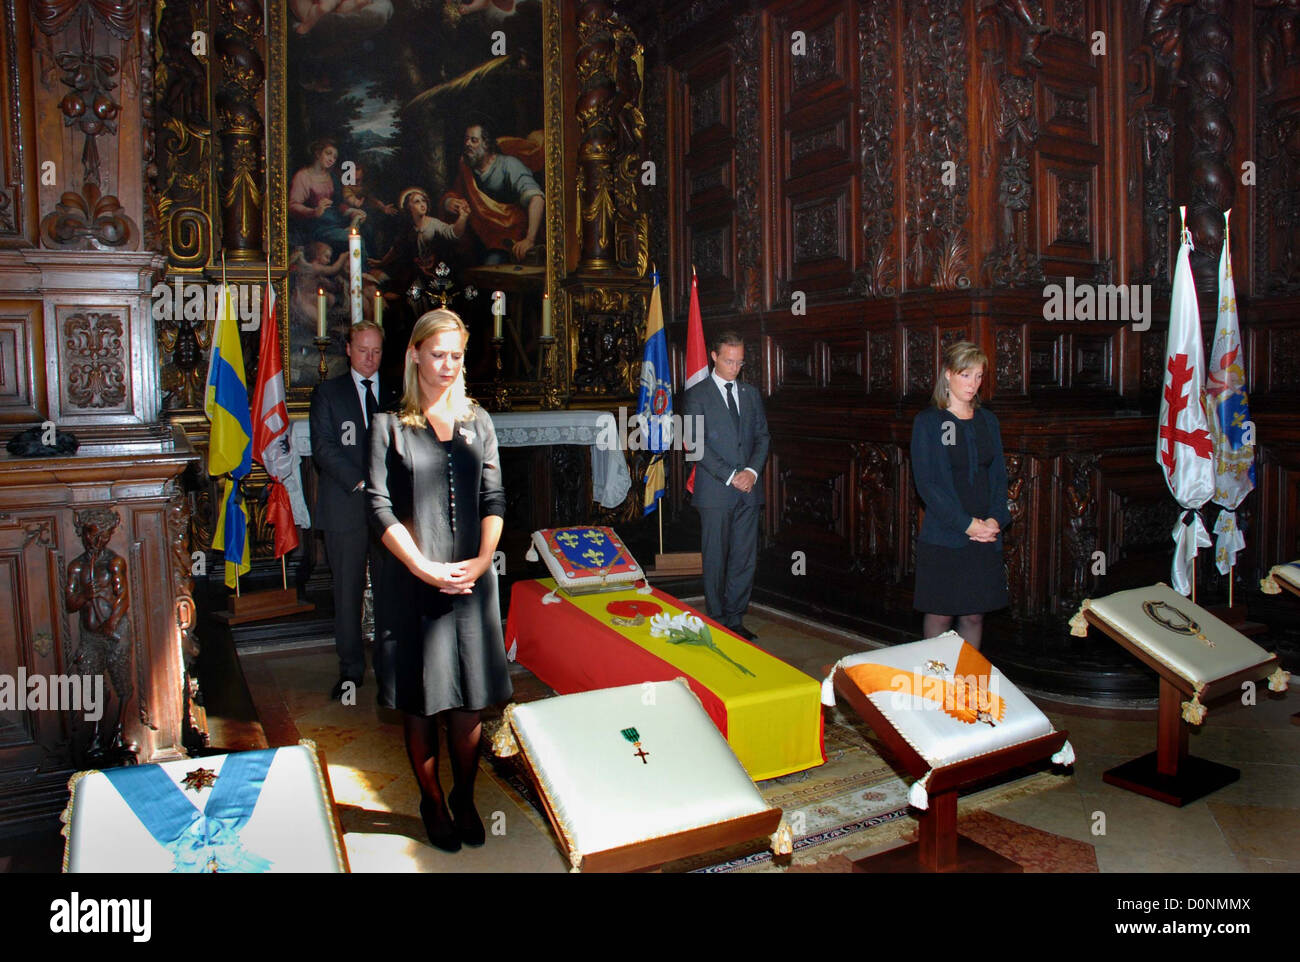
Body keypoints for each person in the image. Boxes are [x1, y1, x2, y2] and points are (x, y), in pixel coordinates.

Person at [367, 309, 510, 852]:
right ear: (415, 355)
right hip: (413, 581)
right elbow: (378, 509)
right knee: (424, 699)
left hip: (473, 581)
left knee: (470, 700)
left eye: (456, 356)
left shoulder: (479, 421)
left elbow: (495, 499)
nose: (447, 365)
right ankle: (430, 799)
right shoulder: (389, 425)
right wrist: (423, 567)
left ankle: (466, 797)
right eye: (438, 354)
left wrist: (482, 560)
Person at [309, 321, 395, 699]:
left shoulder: (396, 391)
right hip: (346, 506)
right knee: (348, 592)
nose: (370, 359)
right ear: (348, 349)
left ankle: (391, 666)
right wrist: (363, 482)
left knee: (391, 588)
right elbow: (324, 448)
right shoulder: (328, 393)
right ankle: (350, 671)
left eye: (376, 351)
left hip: (389, 511)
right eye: (363, 350)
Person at [910, 340, 1010, 649]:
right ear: (948, 375)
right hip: (945, 533)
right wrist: (966, 524)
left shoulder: (987, 421)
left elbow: (999, 477)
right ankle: (935, 689)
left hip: (985, 535)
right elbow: (927, 485)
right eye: (966, 375)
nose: (973, 383)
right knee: (940, 615)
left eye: (979, 376)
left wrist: (995, 519)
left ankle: (967, 690)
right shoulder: (929, 422)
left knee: (974, 616)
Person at [683, 331, 769, 640]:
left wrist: (751, 472)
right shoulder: (697, 394)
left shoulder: (750, 393)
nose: (735, 367)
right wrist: (732, 475)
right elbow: (695, 443)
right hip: (715, 491)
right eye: (729, 361)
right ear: (714, 357)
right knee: (716, 557)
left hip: (749, 488)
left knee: (744, 557)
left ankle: (735, 619)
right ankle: (717, 619)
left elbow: (763, 438)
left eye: (740, 362)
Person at [442, 123, 544, 264]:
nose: (467, 144)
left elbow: (537, 198)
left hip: (512, 239)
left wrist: (529, 239)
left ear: (487, 144)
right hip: (481, 238)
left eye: (474, 140)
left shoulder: (509, 165)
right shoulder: (467, 168)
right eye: (466, 139)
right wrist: (450, 202)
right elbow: (455, 193)